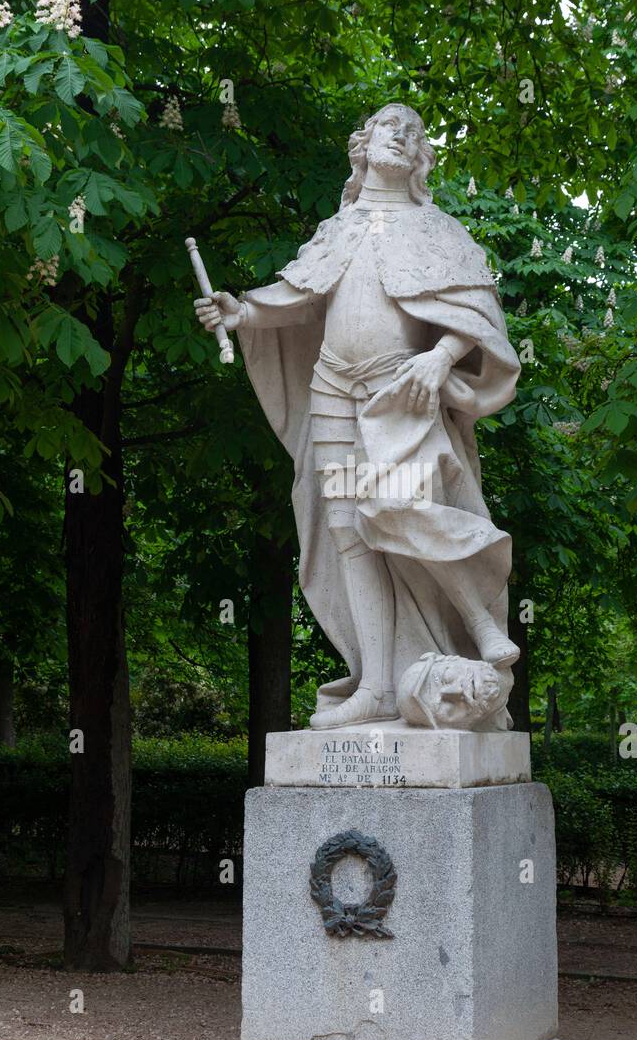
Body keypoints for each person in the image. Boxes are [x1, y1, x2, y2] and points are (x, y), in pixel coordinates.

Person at [194, 103, 520, 730]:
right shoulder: (335, 229)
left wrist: (441, 357)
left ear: (419, 157)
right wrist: (242, 312)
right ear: (363, 143)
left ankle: (480, 626)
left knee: (402, 510)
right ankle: (377, 688)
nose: (398, 134)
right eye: (386, 125)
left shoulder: (439, 231)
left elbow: (481, 319)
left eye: (411, 132)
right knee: (349, 530)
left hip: (399, 392)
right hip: (332, 390)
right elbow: (300, 295)